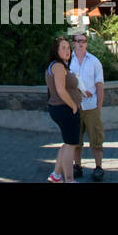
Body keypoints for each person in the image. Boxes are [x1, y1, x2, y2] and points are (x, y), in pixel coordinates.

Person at [44, 35, 83, 183]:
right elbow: (60, 90)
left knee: (67, 143)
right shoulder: (58, 66)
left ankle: (56, 175)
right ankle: (69, 179)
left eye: (68, 47)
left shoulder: (56, 65)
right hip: (65, 109)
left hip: (60, 109)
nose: (67, 50)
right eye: (63, 48)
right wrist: (73, 105)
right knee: (71, 145)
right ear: (56, 50)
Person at [69, 31, 105, 181]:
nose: (80, 43)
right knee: (76, 141)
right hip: (74, 106)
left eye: (83, 40)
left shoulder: (94, 61)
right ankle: (77, 166)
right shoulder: (67, 61)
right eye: (77, 41)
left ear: (86, 43)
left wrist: (99, 106)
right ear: (73, 43)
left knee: (96, 139)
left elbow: (99, 85)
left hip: (91, 107)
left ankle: (98, 167)